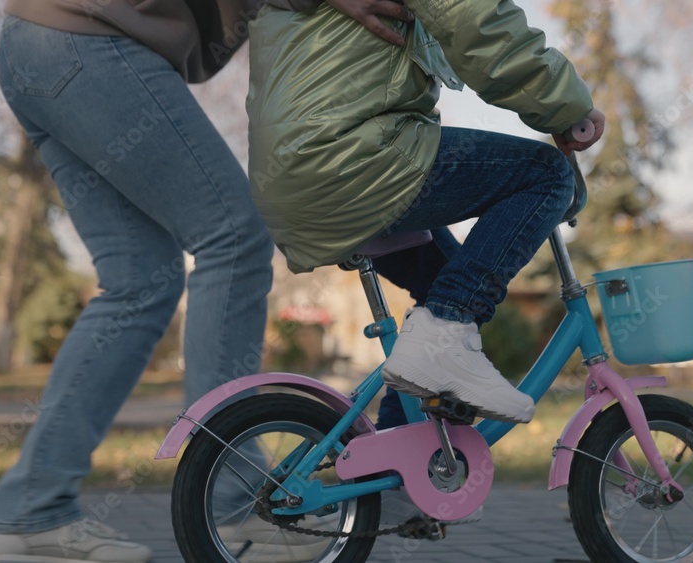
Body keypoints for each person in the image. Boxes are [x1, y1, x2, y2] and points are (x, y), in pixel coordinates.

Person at [0, 1, 414, 562]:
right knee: (233, 238)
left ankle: (31, 516)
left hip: (46, 45)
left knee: (141, 281)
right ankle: (233, 504)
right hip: (89, 38)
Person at [247, 0, 606, 425]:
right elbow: (477, 24)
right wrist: (568, 107)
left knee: (441, 285)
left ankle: (398, 464)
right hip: (348, 158)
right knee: (545, 174)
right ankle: (448, 332)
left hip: (297, 176)